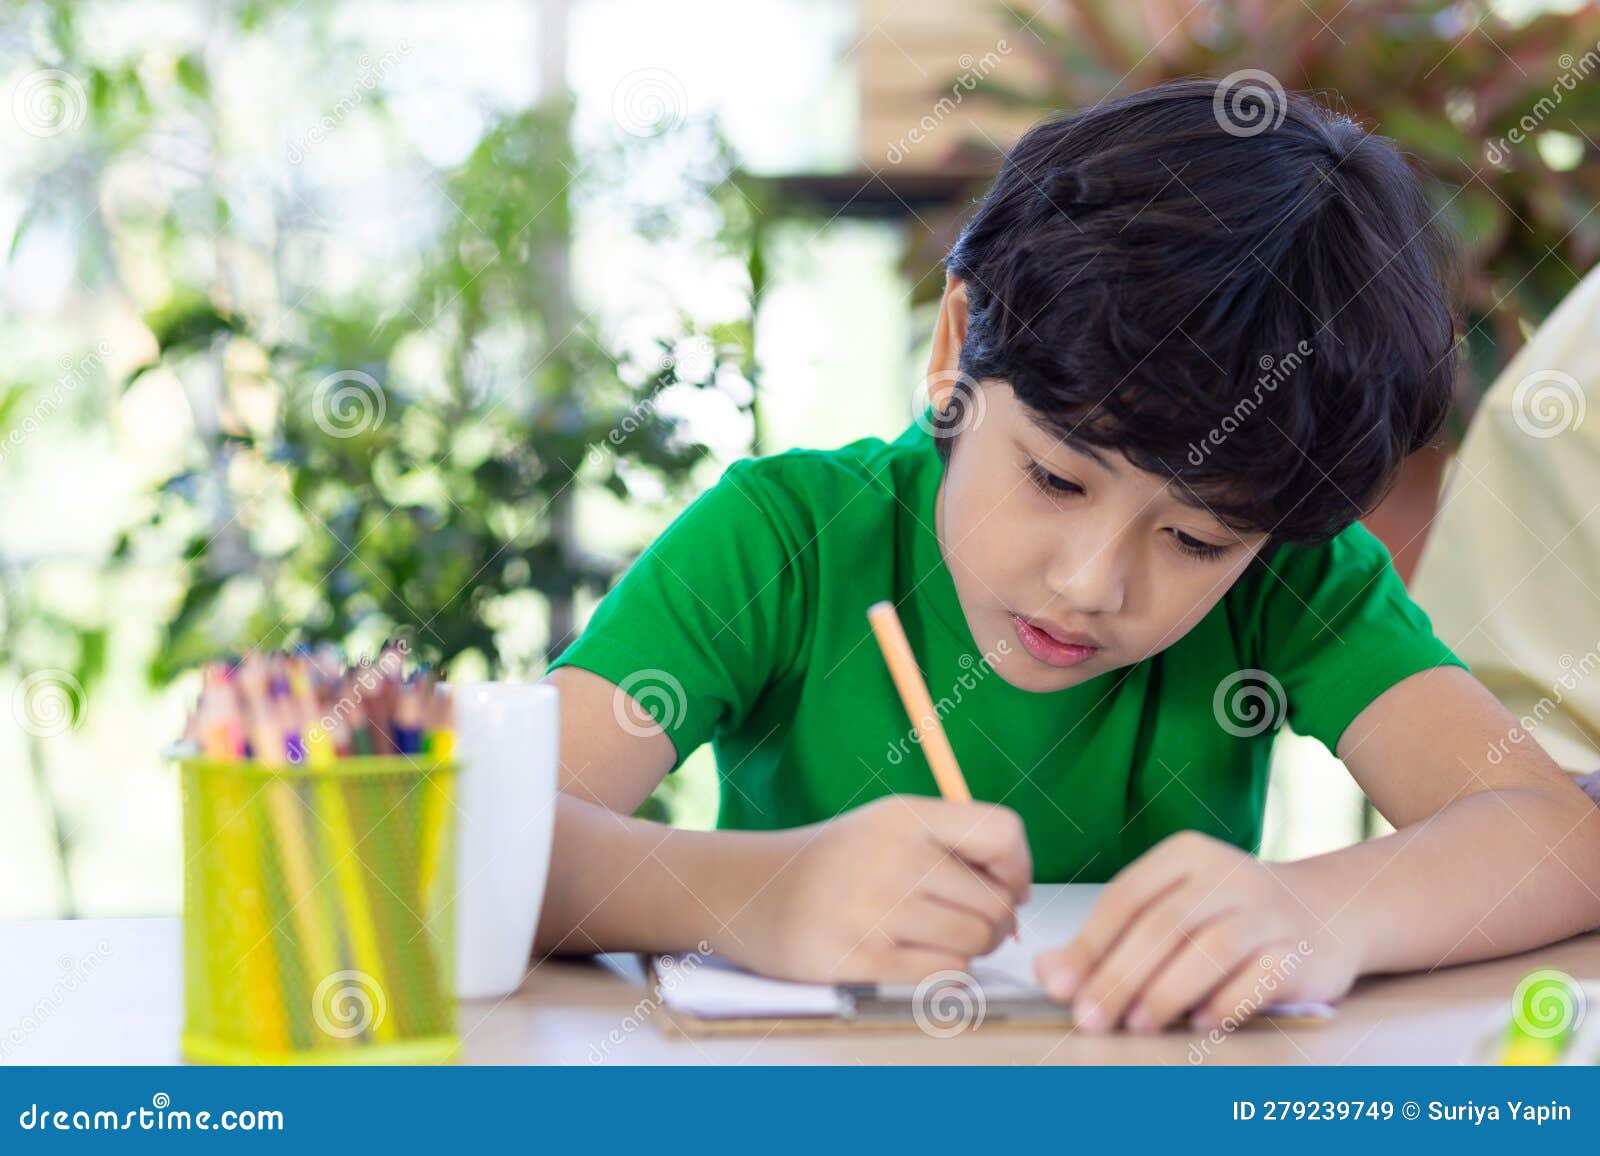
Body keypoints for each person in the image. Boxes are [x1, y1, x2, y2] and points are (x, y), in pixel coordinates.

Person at [533, 79, 1600, 1034]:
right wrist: (755, 896)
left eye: (1194, 538)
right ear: (955, 346)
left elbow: (1557, 843)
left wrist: (1314, 911)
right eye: (1054, 477)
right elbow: (497, 841)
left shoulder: (1290, 580)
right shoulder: (783, 538)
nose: (1091, 583)